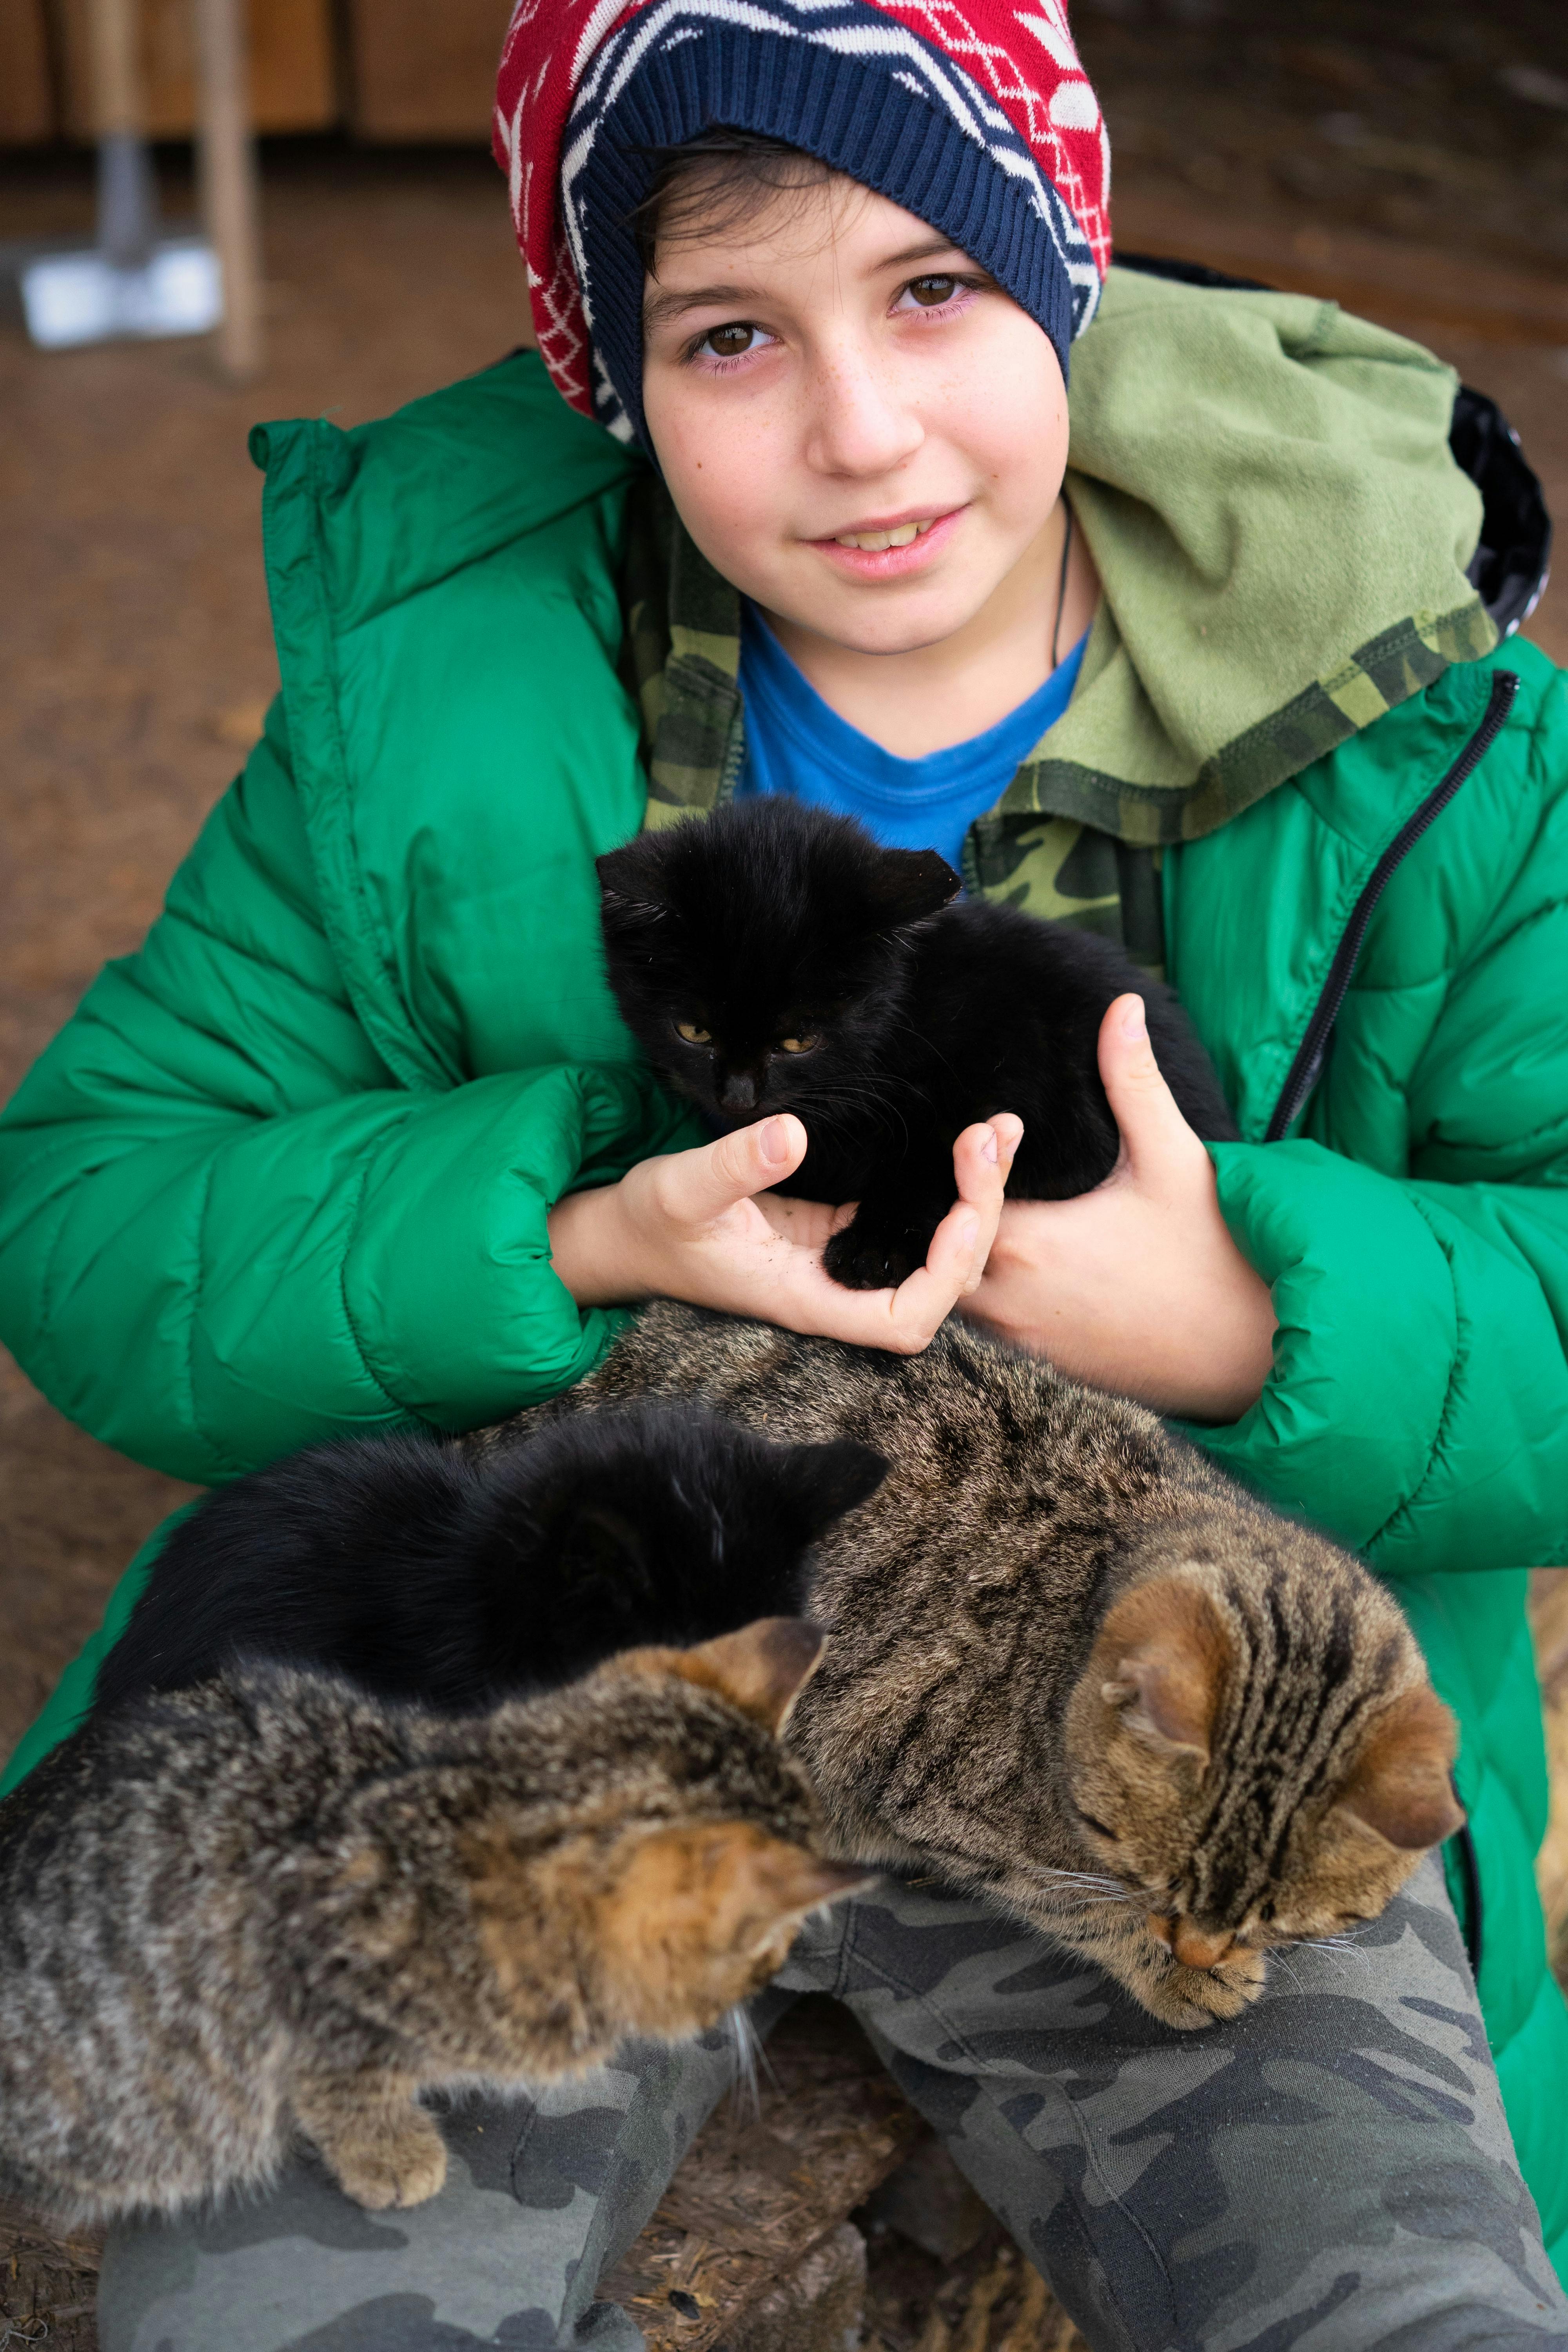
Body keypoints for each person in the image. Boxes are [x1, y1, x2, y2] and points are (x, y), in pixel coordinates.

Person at [2, 0, 1566, 2343]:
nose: (860, 431)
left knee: (1389, 2287)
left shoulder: (1419, 725)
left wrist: (1258, 1310)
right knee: (281, 2292)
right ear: (616, 372)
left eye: (935, 288)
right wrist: (553, 1239)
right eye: (733, 333)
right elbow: (95, 1204)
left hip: (1154, 1685)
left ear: (1068, 263)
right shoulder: (437, 711)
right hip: (580, 1648)